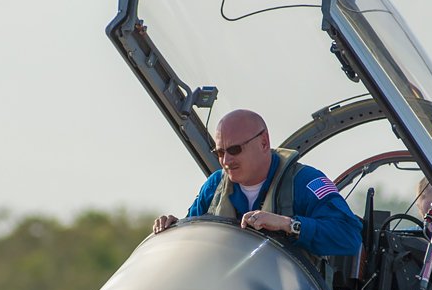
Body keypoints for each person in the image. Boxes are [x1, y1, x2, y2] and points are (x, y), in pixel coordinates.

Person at [153, 109, 362, 256]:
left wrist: (288, 225)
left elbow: (349, 237)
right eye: (220, 152)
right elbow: (191, 242)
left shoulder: (306, 182)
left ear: (263, 142)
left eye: (235, 150)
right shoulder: (215, 186)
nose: (226, 161)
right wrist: (175, 228)